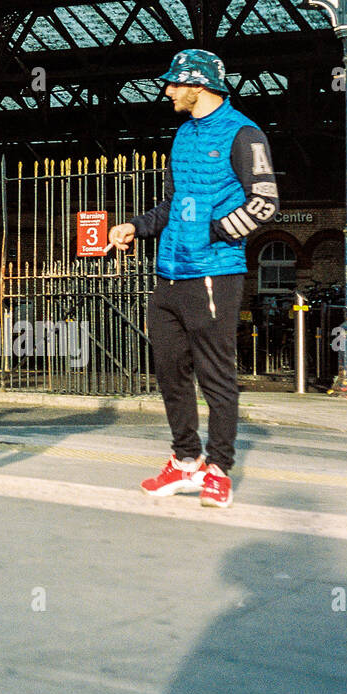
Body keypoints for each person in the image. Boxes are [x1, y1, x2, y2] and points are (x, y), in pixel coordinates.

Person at [109, 49, 278, 510]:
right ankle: (185, 460)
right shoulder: (182, 135)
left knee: (215, 375)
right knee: (168, 369)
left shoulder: (244, 133)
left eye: (173, 84)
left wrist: (216, 231)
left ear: (197, 85)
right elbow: (171, 205)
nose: (166, 91)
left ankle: (218, 469)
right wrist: (136, 227)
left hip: (214, 274)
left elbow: (265, 204)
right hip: (169, 274)